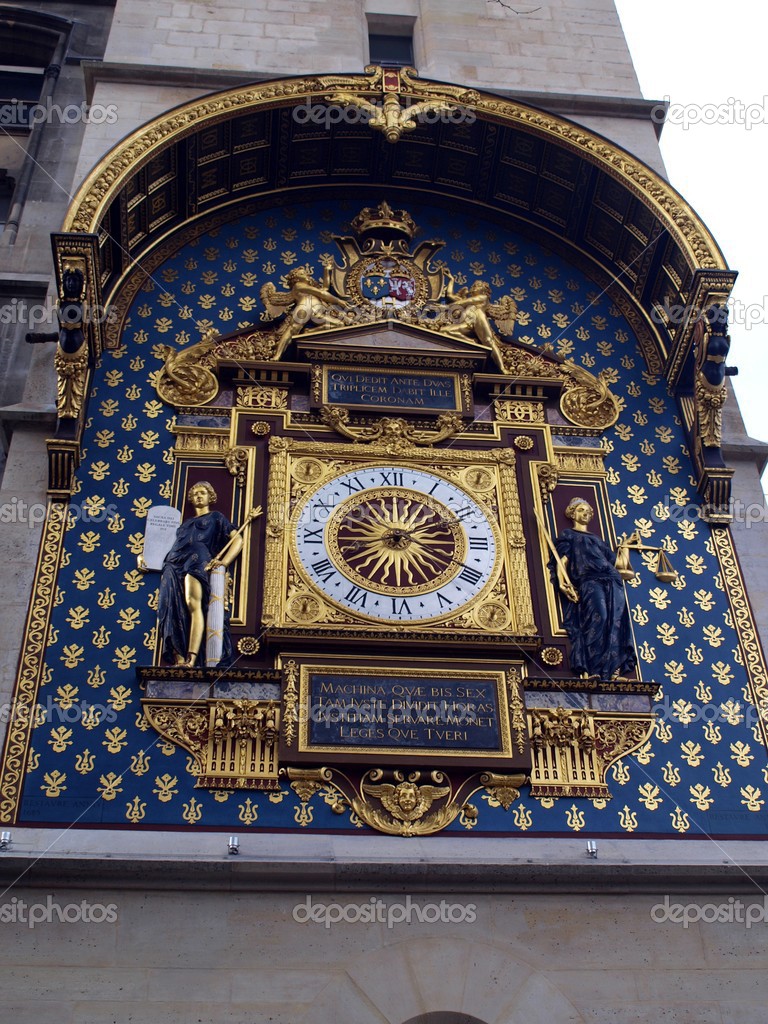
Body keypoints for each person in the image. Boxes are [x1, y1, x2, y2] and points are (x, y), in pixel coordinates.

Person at [156, 481, 243, 668]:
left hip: (197, 559)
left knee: (192, 603)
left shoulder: (216, 518)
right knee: (171, 606)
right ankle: (178, 656)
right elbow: (166, 548)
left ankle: (192, 658)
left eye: (202, 492)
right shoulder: (185, 525)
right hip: (173, 563)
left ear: (210, 496)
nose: (198, 496)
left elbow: (238, 540)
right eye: (195, 493)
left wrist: (223, 562)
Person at [549, 497, 636, 680]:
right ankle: (595, 669)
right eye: (581, 510)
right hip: (590, 581)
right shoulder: (569, 535)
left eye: (588, 511)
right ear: (573, 513)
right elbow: (562, 561)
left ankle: (613, 671)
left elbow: (620, 564)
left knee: (616, 623)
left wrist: (626, 546)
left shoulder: (598, 540)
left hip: (613, 581)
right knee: (599, 619)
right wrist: (563, 582)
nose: (585, 513)